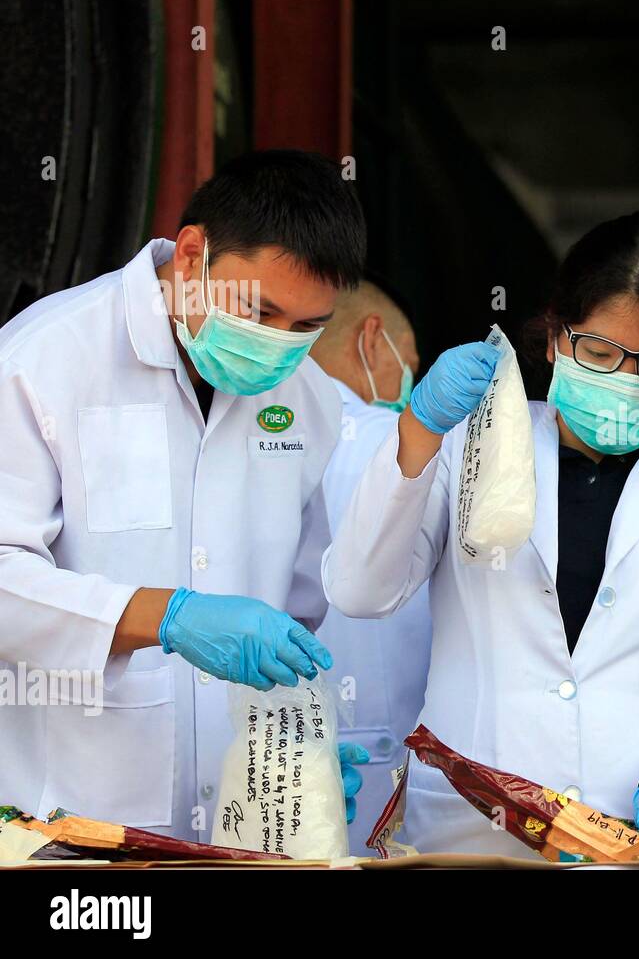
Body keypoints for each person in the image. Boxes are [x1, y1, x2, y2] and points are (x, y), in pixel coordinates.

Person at [323, 211, 639, 855]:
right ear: (552, 339)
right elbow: (360, 590)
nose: (624, 379)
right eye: (599, 353)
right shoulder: (474, 443)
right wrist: (419, 431)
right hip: (475, 828)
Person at [0, 148, 367, 839]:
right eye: (259, 309)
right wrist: (166, 616)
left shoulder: (311, 401)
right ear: (193, 255)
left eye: (307, 327)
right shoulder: (42, 360)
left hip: (241, 835)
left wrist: (300, 750)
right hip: (66, 826)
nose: (279, 344)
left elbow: (298, 615)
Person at [310, 277, 432, 848]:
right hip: (399, 769)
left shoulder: (246, 429)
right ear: (372, 339)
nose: (412, 383)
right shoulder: (411, 442)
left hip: (261, 760)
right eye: (408, 363)